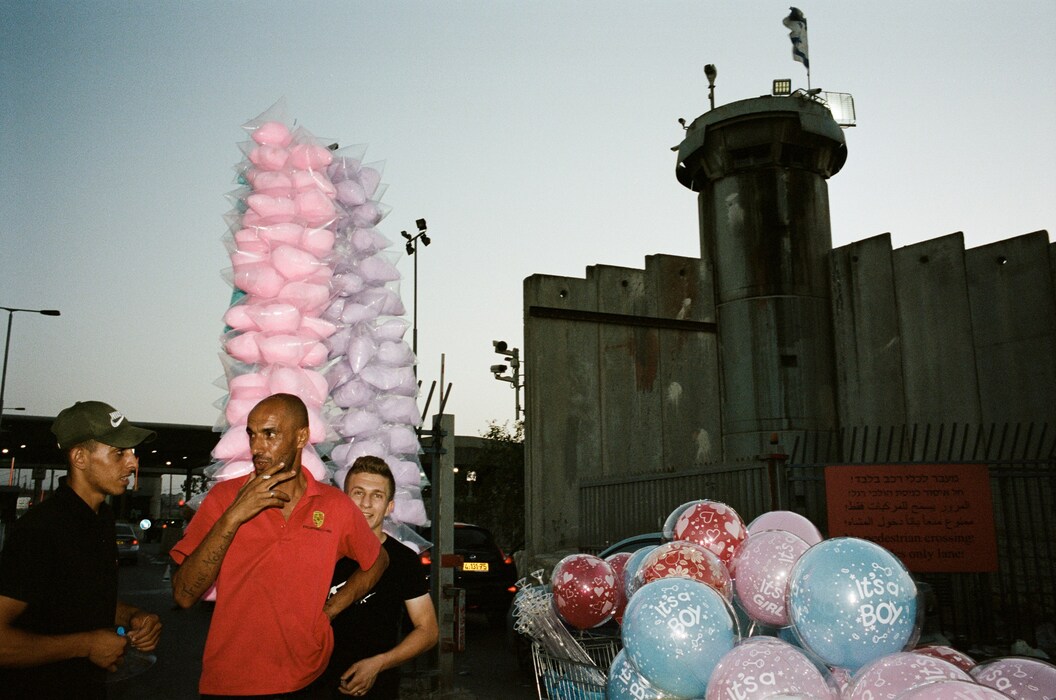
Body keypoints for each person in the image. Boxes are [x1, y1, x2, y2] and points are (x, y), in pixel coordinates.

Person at [170, 393, 389, 698]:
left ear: (302, 437)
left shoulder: (334, 505)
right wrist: (234, 516)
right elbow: (183, 594)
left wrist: (332, 609)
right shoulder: (223, 499)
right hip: (232, 683)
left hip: (309, 679)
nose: (256, 447)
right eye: (252, 434)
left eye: (270, 434)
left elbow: (377, 559)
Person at [0, 400, 163, 700]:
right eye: (119, 453)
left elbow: (75, 603)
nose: (133, 463)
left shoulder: (100, 519)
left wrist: (133, 617)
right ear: (80, 457)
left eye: (132, 453)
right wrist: (85, 645)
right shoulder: (41, 530)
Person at [321, 456, 438, 698]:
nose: (366, 503)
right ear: (344, 499)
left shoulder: (404, 560)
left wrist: (379, 663)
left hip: (378, 688)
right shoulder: (318, 550)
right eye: (358, 492)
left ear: (390, 506)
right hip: (314, 686)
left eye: (377, 495)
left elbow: (427, 630)